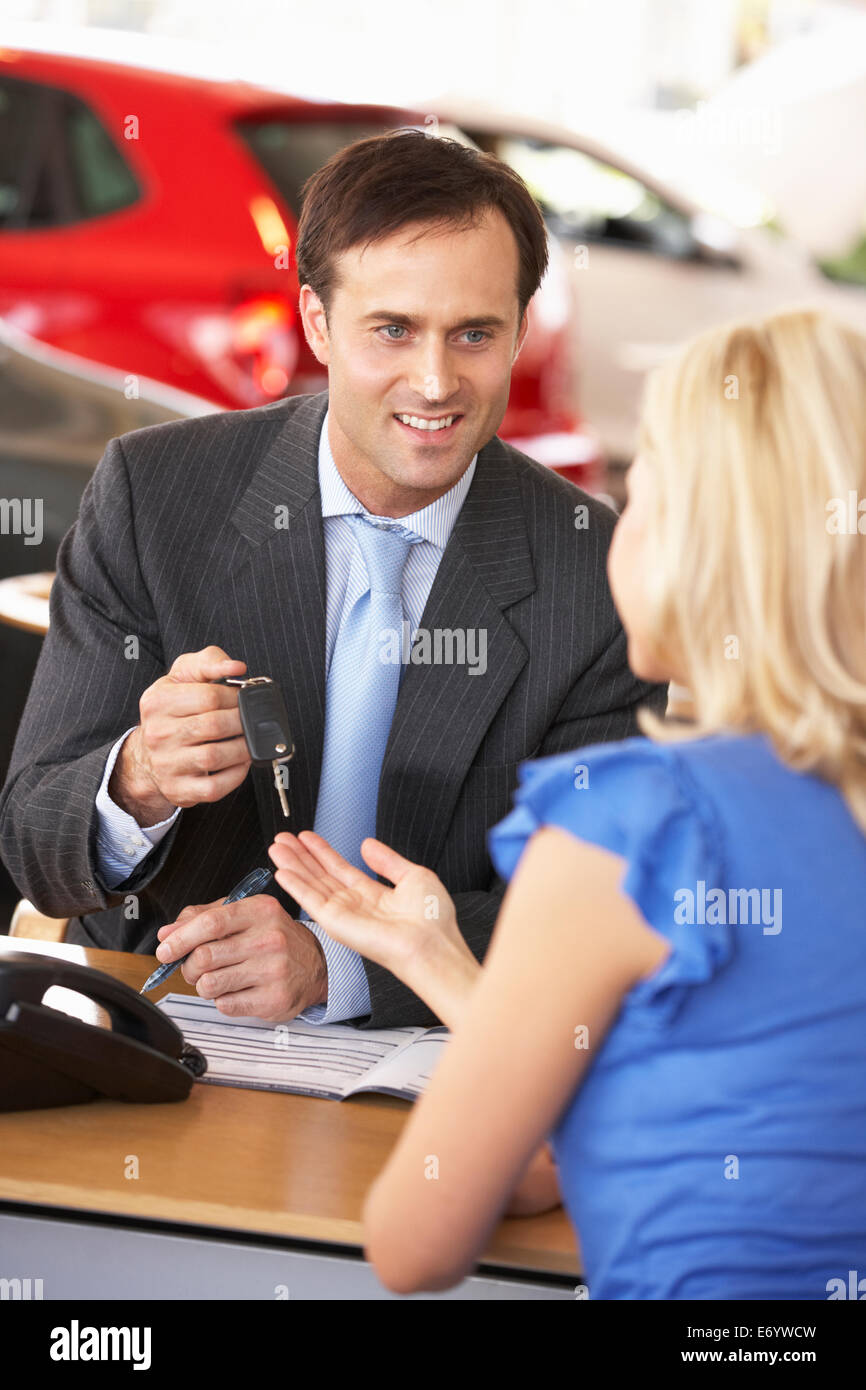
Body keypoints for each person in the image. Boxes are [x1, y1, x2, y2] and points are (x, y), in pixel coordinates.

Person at [0, 128, 664, 1030]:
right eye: (393, 330)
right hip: (170, 1028)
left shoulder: (598, 568)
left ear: (518, 330)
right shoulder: (154, 495)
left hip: (440, 1057)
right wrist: (138, 781)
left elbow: (601, 904)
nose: (435, 382)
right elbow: (35, 844)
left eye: (475, 334)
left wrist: (338, 966)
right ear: (316, 319)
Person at [269, 307, 866, 1297]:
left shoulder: (637, 822)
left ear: (704, 544)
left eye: (641, 495)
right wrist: (435, 958)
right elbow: (707, 1098)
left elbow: (416, 1242)